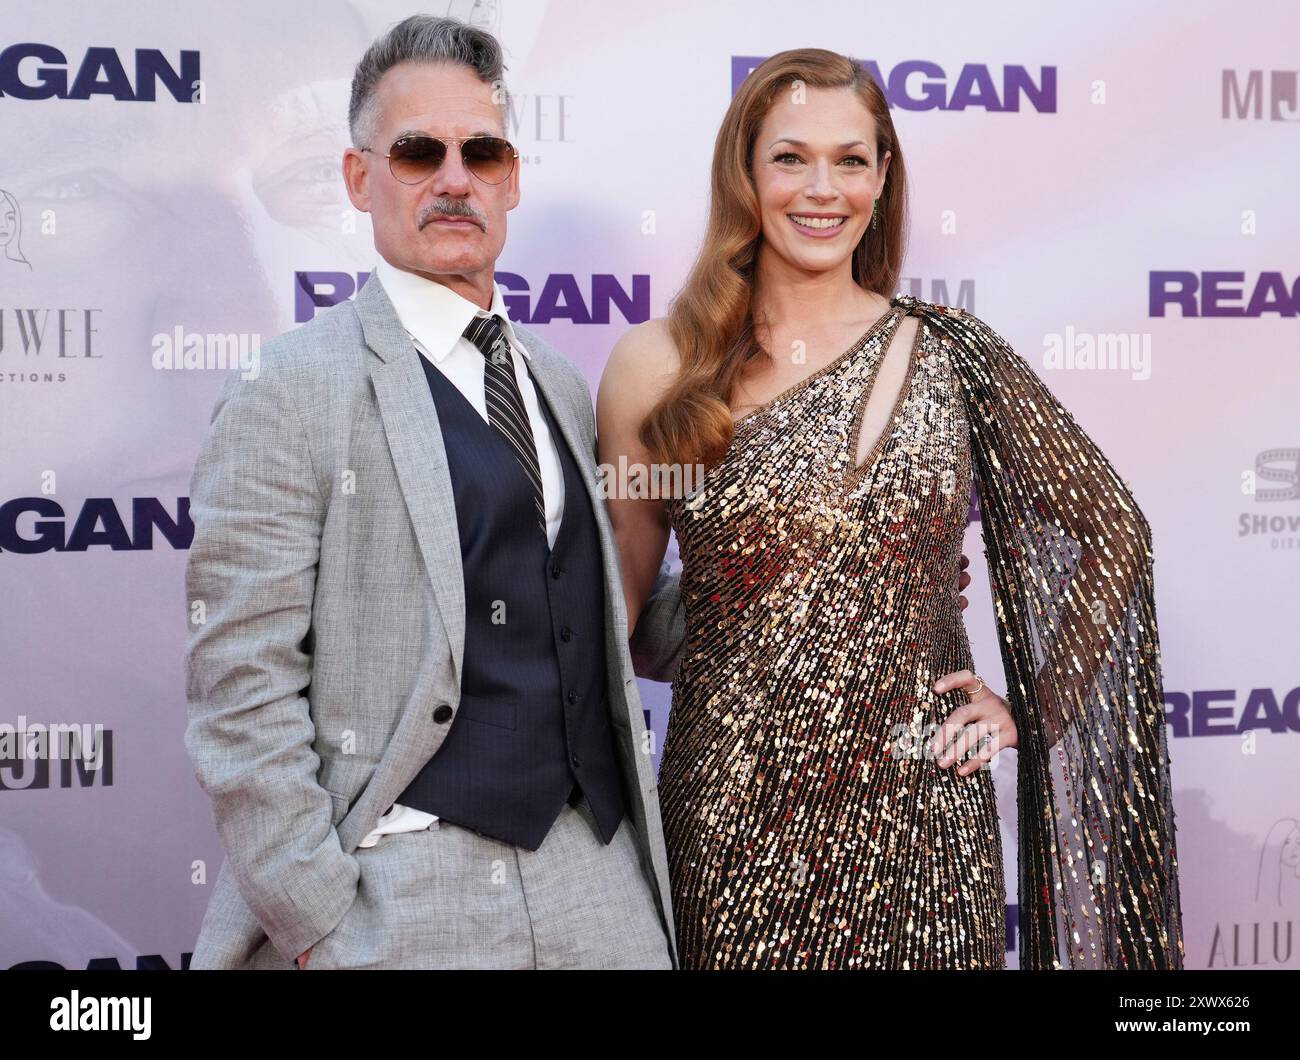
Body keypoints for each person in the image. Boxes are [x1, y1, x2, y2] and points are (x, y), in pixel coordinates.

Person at [604, 48, 1185, 969]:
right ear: (745, 176)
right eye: (790, 158)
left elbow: (1114, 528)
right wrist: (764, 604)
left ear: (882, 178)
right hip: (732, 813)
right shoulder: (657, 364)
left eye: (851, 159)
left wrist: (1027, 710)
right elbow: (618, 615)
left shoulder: (951, 355)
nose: (821, 189)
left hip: (924, 806)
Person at [183, 14, 674, 969]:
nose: (455, 178)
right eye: (419, 152)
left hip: (599, 878)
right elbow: (240, 683)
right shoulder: (291, 385)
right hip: (399, 886)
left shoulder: (561, 384)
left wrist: (804, 569)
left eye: (480, 151)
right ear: (361, 179)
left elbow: (612, 610)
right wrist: (319, 920)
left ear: (513, 179)